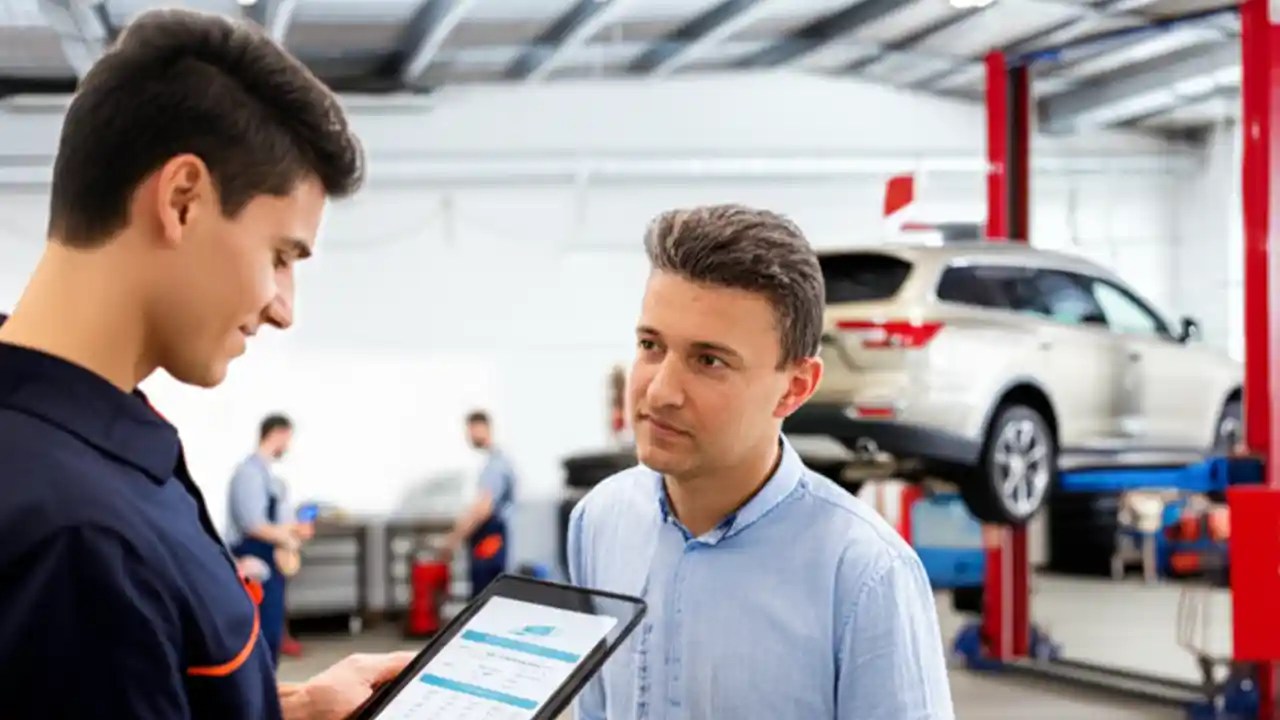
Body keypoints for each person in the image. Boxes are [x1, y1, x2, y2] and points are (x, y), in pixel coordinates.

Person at [0, 9, 412, 719]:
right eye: (280, 256)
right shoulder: (82, 540)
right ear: (182, 200)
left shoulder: (81, 448)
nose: (284, 307)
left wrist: (298, 707)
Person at [566, 205, 955, 719]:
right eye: (650, 345)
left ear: (794, 388)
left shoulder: (865, 574)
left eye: (709, 361)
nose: (660, 392)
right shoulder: (599, 523)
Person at [226, 413, 313, 666]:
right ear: (278, 434)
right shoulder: (249, 473)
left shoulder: (268, 476)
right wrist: (287, 539)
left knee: (272, 632)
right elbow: (253, 524)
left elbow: (272, 521)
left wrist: (295, 529)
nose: (288, 446)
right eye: (288, 438)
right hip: (256, 561)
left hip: (271, 561)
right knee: (261, 634)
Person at [441, 410, 518, 598]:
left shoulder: (495, 465)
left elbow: (483, 508)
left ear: (484, 428)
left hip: (490, 542)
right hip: (488, 542)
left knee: (486, 599)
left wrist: (454, 538)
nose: (469, 435)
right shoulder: (492, 463)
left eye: (472, 429)